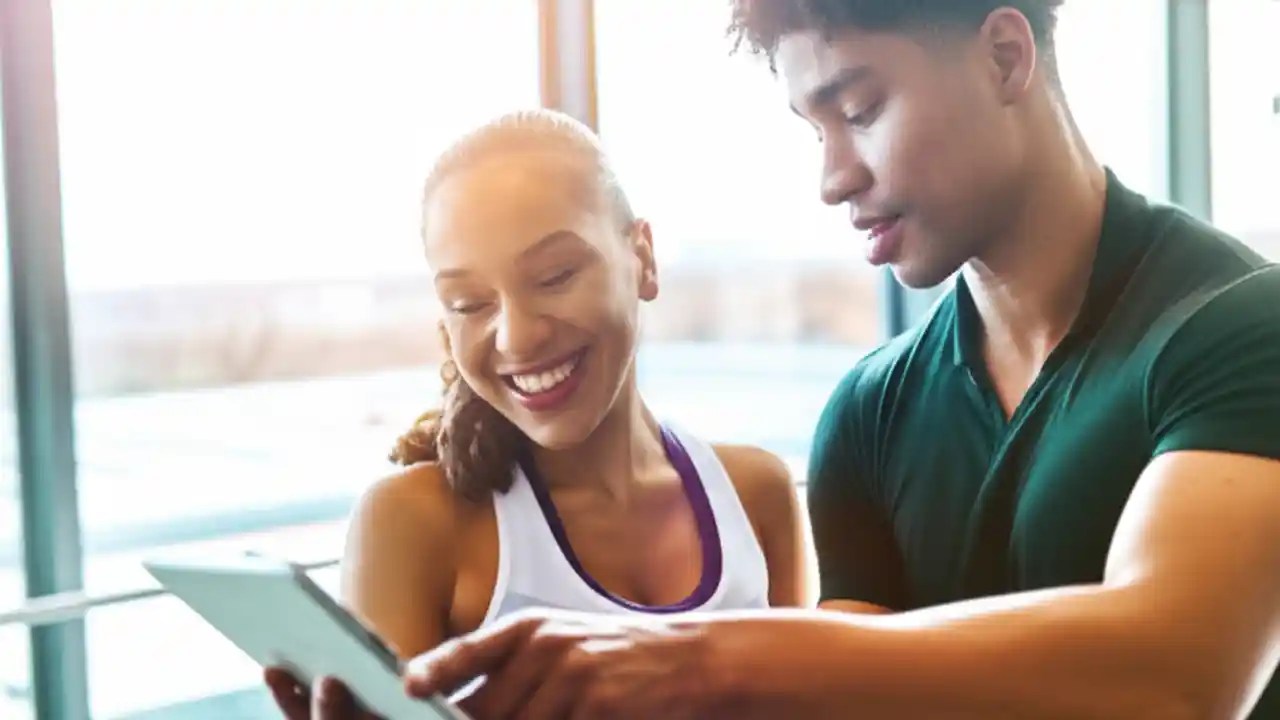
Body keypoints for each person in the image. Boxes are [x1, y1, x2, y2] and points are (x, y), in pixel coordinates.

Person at [400, 1, 1280, 718]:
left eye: (858, 111)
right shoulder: (868, 411)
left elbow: (1182, 676)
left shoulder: (1243, 326)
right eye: (812, 128)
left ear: (1007, 56)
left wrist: (699, 661)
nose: (832, 177)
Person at [263, 109, 809, 718]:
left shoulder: (756, 494)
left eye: (554, 276)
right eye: (469, 303)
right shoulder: (417, 523)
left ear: (643, 260)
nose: (516, 339)